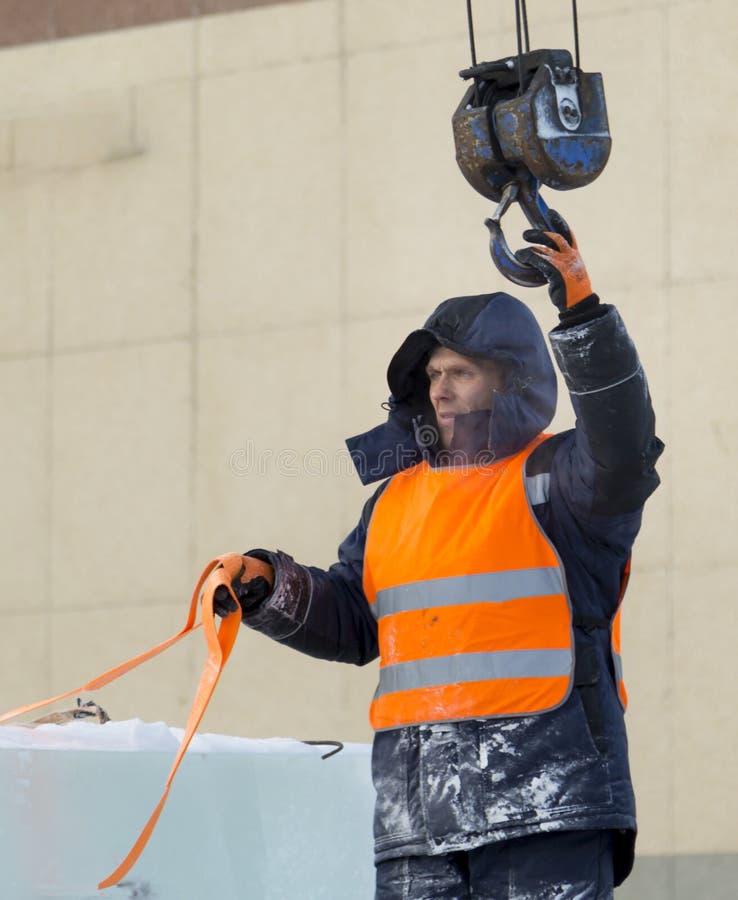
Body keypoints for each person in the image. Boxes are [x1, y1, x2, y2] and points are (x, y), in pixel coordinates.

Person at [213, 213, 663, 899]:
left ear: (510, 382)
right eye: (432, 373)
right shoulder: (395, 499)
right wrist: (270, 588)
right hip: (416, 821)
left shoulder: (557, 481)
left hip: (543, 809)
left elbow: (623, 444)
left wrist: (585, 319)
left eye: (461, 371)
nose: (440, 388)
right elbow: (359, 623)